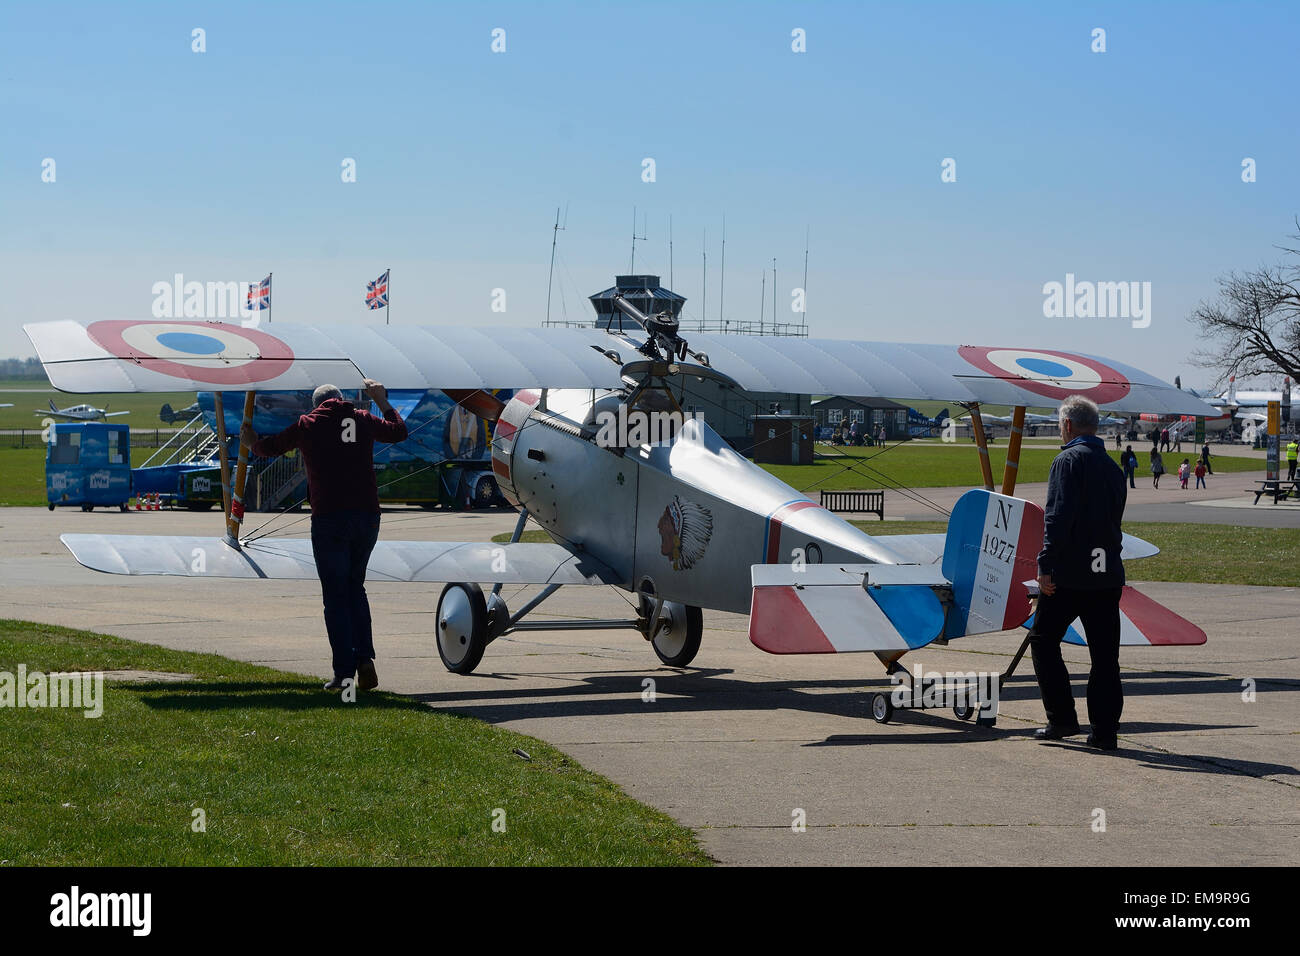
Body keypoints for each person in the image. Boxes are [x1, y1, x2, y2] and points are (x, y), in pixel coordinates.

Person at [244, 381, 408, 692]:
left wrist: (253, 443)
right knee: (355, 588)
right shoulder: (361, 418)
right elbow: (399, 431)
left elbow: (272, 447)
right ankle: (365, 658)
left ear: (316, 404)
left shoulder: (308, 423)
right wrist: (382, 401)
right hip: (367, 516)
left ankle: (344, 673)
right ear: (341, 400)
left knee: (335, 596)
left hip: (330, 517)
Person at [1030, 395, 1127, 751]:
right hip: (1107, 575)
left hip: (1071, 575)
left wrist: (1045, 564)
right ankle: (1105, 732)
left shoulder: (1067, 460)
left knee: (1043, 640)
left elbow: (1057, 518)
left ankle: (1062, 718)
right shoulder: (1112, 467)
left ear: (1067, 425)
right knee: (1105, 657)